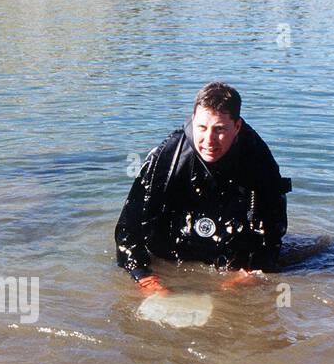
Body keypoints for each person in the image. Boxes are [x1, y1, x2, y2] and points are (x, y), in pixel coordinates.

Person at [115, 82, 291, 294]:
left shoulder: (259, 160)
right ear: (192, 120)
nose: (209, 141)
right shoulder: (167, 157)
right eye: (202, 128)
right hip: (173, 248)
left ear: (237, 127)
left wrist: (249, 272)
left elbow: (273, 230)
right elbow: (128, 230)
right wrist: (145, 278)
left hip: (230, 253)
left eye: (219, 130)